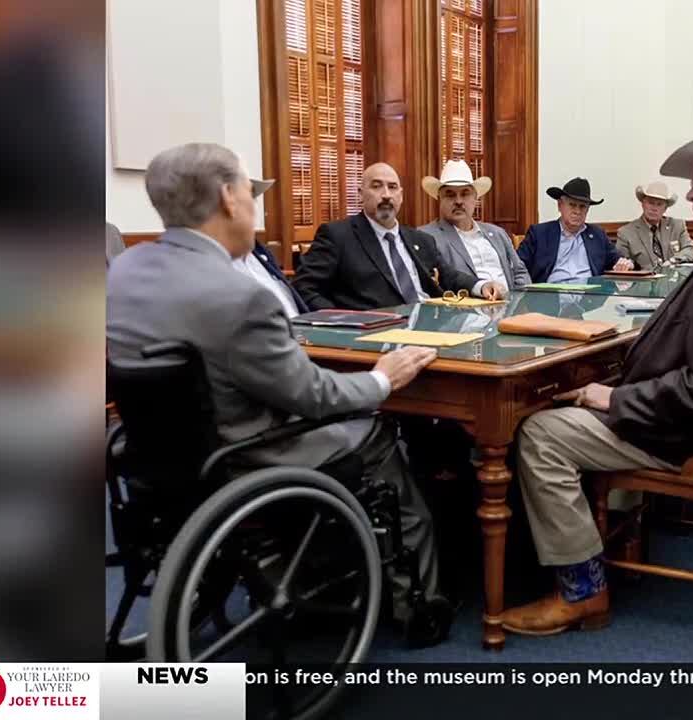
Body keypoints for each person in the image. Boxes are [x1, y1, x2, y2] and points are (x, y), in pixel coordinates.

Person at [106, 143, 448, 642]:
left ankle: (322, 564)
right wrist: (382, 379)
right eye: (251, 192)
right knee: (377, 430)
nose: (254, 205)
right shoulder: (241, 296)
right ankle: (418, 599)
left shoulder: (125, 272)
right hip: (248, 458)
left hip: (158, 459)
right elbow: (310, 395)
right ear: (228, 198)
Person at [498, 125, 693, 636]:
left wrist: (615, 396)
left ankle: (583, 592)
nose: (690, 192)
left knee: (540, 434)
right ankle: (618, 536)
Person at [292, 162, 505, 310]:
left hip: (430, 327)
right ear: (361, 194)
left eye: (392, 187)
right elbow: (304, 288)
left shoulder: (419, 240)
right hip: (377, 335)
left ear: (401, 196)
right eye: (376, 186)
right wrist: (343, 320)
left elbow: (451, 276)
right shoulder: (338, 236)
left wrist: (481, 285)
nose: (386, 194)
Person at [417, 159, 530, 292]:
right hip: (466, 308)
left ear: (475, 198)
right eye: (450, 195)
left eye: (465, 194)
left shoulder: (498, 233)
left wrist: (517, 302)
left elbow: (520, 272)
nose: (458, 201)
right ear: (439, 199)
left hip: (510, 306)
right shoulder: (427, 237)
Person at [517, 177, 633, 283]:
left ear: (587, 210)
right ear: (560, 206)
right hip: (550, 298)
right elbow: (518, 266)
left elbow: (620, 260)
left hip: (589, 298)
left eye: (582, 207)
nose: (577, 211)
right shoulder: (539, 233)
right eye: (572, 205)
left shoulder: (597, 234)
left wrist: (626, 264)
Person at [614, 180, 693, 271]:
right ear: (643, 204)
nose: (654, 208)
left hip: (673, 281)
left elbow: (691, 250)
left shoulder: (677, 225)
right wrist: (628, 265)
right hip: (645, 282)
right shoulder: (626, 233)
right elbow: (621, 261)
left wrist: (673, 260)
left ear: (665, 209)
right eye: (650, 203)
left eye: (659, 204)